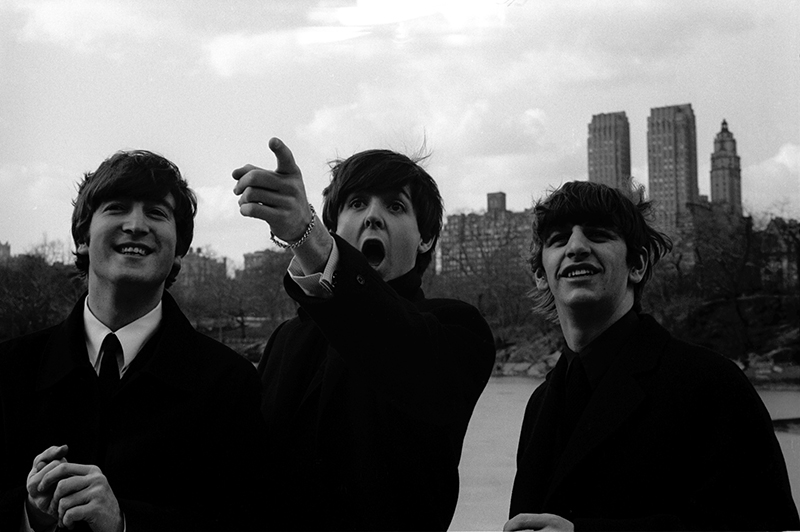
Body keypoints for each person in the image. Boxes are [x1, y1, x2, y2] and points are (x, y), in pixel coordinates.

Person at [505, 180, 800, 531]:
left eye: (598, 235)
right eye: (558, 239)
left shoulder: (711, 384)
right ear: (541, 275)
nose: (576, 247)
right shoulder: (540, 403)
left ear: (638, 264)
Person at [233, 137, 495, 531]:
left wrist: (309, 237)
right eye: (357, 203)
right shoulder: (287, 339)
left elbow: (392, 341)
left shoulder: (457, 328)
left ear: (425, 238)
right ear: (335, 226)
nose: (373, 216)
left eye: (395, 206)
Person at [0, 150, 269, 532]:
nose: (136, 225)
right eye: (117, 208)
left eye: (156, 213)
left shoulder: (230, 384)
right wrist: (31, 515)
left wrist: (123, 523)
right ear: (82, 239)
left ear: (178, 254)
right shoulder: (9, 369)